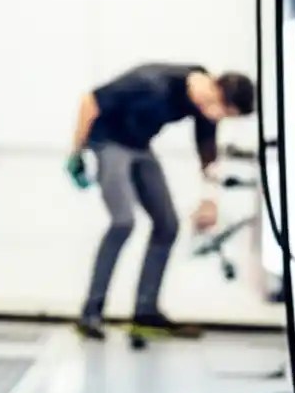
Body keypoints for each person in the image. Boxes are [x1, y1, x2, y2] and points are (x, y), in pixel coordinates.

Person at [66, 63, 255, 346]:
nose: (217, 117)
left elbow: (207, 153)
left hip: (140, 146)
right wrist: (77, 151)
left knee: (167, 224)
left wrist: (209, 201)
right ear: (215, 88)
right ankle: (90, 314)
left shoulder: (203, 105)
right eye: (222, 110)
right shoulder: (151, 81)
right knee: (123, 222)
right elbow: (90, 101)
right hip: (108, 142)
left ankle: (145, 313)